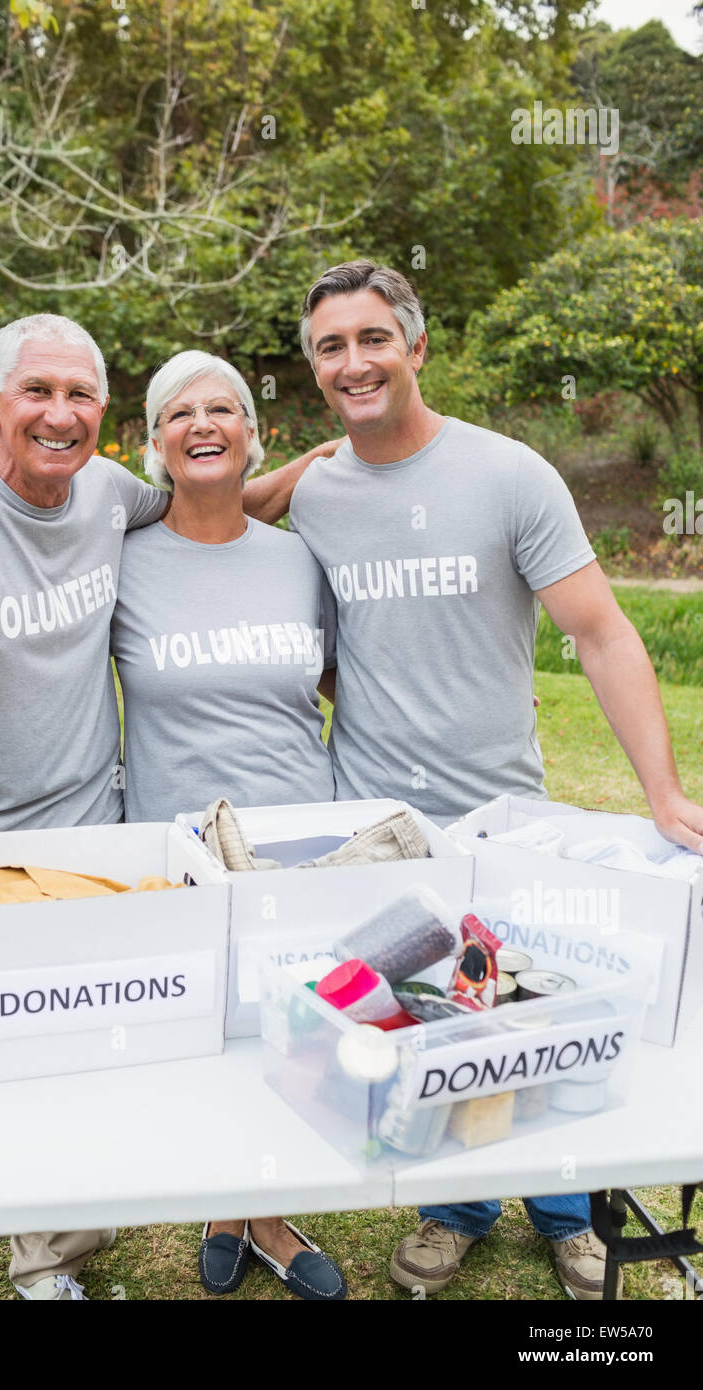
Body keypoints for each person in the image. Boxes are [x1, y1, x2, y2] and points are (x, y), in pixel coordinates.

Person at [0, 314, 335, 1302]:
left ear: (105, 418)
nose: (59, 413)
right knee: (20, 1054)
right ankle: (45, 1268)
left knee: (106, 1041)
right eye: (36, 391)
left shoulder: (109, 495)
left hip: (102, 821)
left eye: (80, 395)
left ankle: (199, 1211)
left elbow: (211, 497)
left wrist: (321, 466)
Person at [290, 260, 703, 1302]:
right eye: (330, 346)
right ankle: (455, 1208)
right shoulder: (315, 491)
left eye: (372, 338)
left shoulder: (508, 474)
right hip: (383, 820)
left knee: (531, 1010)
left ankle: (567, 1210)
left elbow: (602, 635)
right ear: (315, 369)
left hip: (502, 810)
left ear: (416, 347)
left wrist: (660, 792)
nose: (354, 361)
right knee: (428, 1017)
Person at [110, 349, 346, 1301]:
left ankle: (267, 1215)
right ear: (155, 443)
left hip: (302, 840)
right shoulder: (119, 560)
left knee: (290, 1036)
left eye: (223, 410)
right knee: (207, 1033)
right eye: (180, 414)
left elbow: (333, 680)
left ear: (255, 433)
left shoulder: (299, 559)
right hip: (182, 847)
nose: (203, 425)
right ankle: (230, 1205)